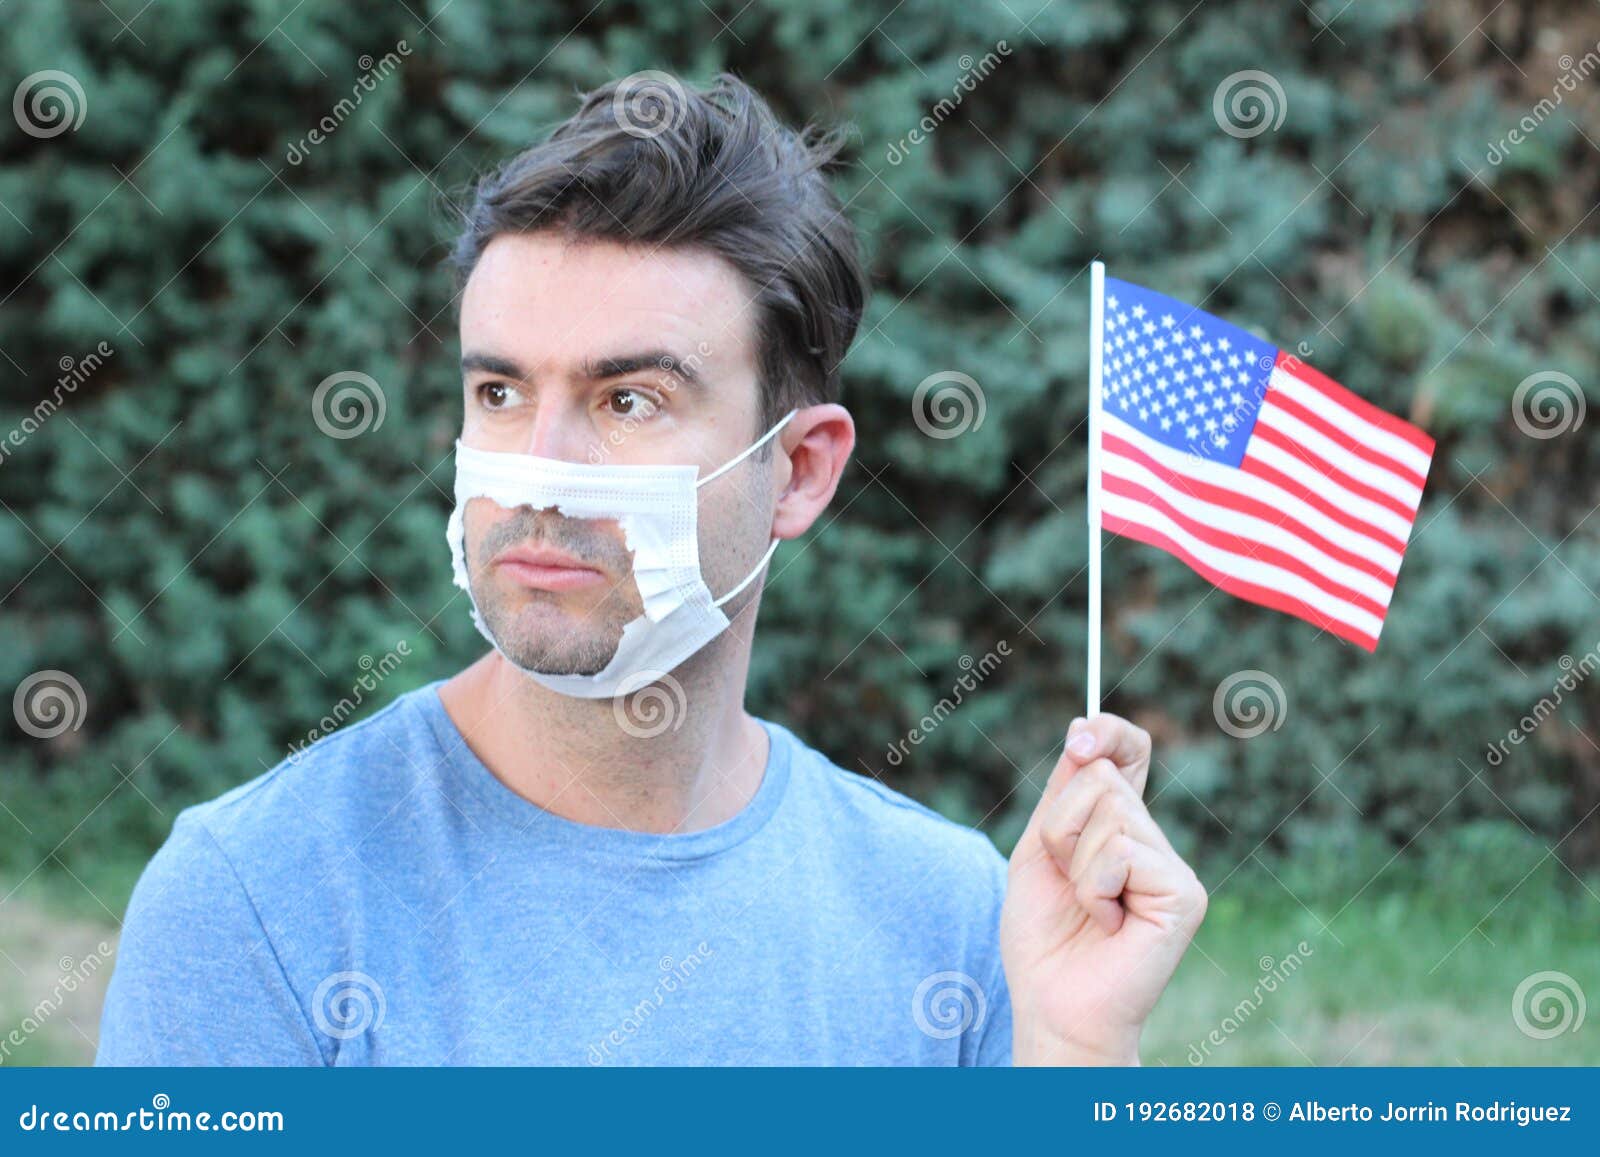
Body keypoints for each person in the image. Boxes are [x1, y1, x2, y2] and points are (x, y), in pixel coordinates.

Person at [96, 72, 1205, 1066]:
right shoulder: (259, 898)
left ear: (801, 471)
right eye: (499, 393)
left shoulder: (956, 915)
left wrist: (1074, 1044)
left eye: (630, 400)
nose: (538, 476)